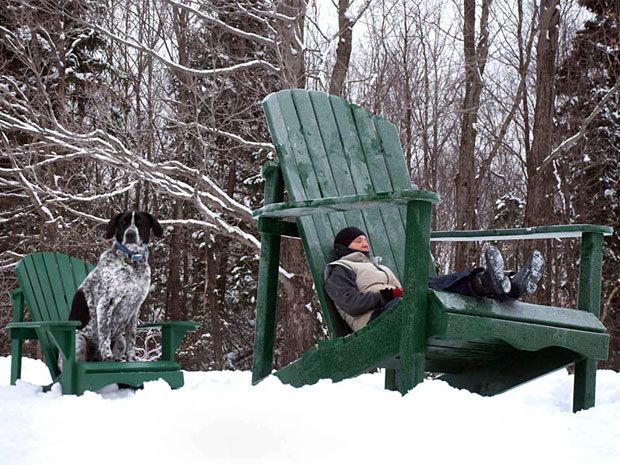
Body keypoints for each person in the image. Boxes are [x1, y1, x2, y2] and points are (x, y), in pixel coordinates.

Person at [324, 226, 544, 332]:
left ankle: (508, 287)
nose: (365, 243)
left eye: (365, 239)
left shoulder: (376, 266)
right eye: (358, 240)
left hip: (396, 308)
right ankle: (487, 281)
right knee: (421, 287)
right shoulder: (339, 269)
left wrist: (396, 293)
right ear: (344, 246)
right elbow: (350, 304)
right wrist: (387, 294)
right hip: (374, 321)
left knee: (426, 287)